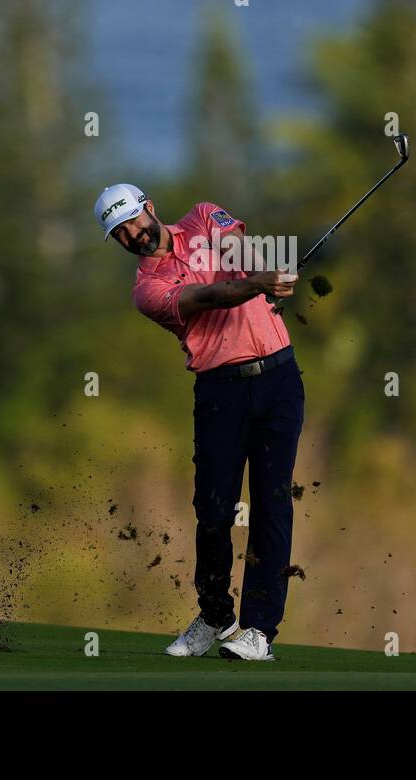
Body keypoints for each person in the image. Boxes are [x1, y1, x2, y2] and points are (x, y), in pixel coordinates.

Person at [94, 183, 304, 661]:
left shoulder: (205, 218)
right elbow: (211, 296)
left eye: (133, 221)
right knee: (213, 511)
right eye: (120, 233)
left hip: (279, 379)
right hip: (220, 391)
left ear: (150, 207)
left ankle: (259, 630)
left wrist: (265, 273)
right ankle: (214, 614)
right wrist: (257, 284)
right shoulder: (147, 291)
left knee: (273, 503)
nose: (132, 235)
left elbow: (244, 253)